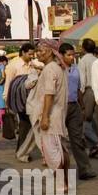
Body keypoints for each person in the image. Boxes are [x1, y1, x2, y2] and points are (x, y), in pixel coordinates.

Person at [31, 41, 69, 170]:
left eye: (42, 50)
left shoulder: (50, 69)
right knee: (60, 150)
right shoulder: (55, 68)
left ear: (50, 52)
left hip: (52, 116)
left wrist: (45, 117)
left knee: (53, 153)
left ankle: (61, 182)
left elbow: (49, 94)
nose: (38, 53)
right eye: (38, 50)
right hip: (57, 114)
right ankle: (64, 181)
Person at [59, 42, 95, 177]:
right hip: (60, 106)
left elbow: (79, 88)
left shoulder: (75, 68)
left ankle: (84, 169)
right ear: (61, 55)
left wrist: (82, 106)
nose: (72, 57)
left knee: (77, 139)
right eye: (69, 55)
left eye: (73, 55)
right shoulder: (57, 69)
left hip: (74, 105)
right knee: (59, 141)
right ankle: (61, 170)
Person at [78, 39, 98, 149]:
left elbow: (82, 81)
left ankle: (95, 143)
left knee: (86, 119)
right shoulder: (97, 60)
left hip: (89, 91)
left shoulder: (83, 61)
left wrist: (80, 96)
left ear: (83, 48)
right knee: (95, 119)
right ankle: (95, 144)